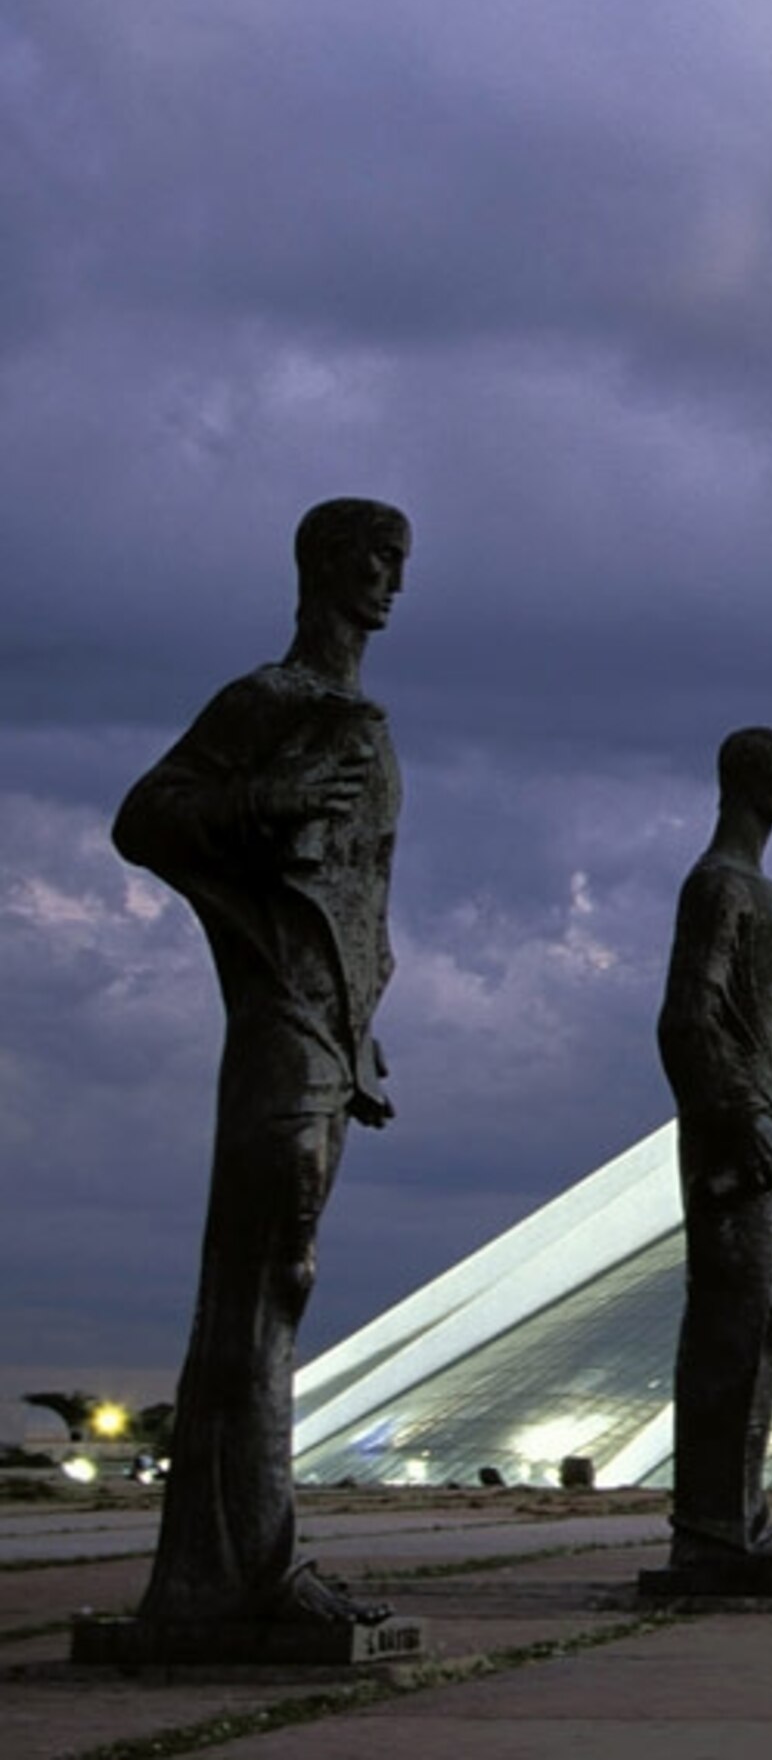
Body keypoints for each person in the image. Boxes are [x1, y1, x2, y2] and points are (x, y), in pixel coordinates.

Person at [114, 499, 410, 1630]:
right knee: (261, 1268)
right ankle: (237, 1571)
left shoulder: (364, 721)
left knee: (282, 1274)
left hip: (331, 1024)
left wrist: (363, 1021)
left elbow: (351, 896)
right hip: (277, 1017)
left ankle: (243, 1562)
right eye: (375, 556)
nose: (392, 579)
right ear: (322, 564)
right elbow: (145, 816)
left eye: (400, 559)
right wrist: (264, 799)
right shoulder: (269, 703)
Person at [656, 725, 772, 1594]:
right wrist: (741, 1120)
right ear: (744, 778)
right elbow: (686, 1021)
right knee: (738, 1319)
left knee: (764, 1318)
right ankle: (714, 1532)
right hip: (730, 1138)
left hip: (758, 1139)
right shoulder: (719, 887)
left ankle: (737, 1521)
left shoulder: (765, 889)